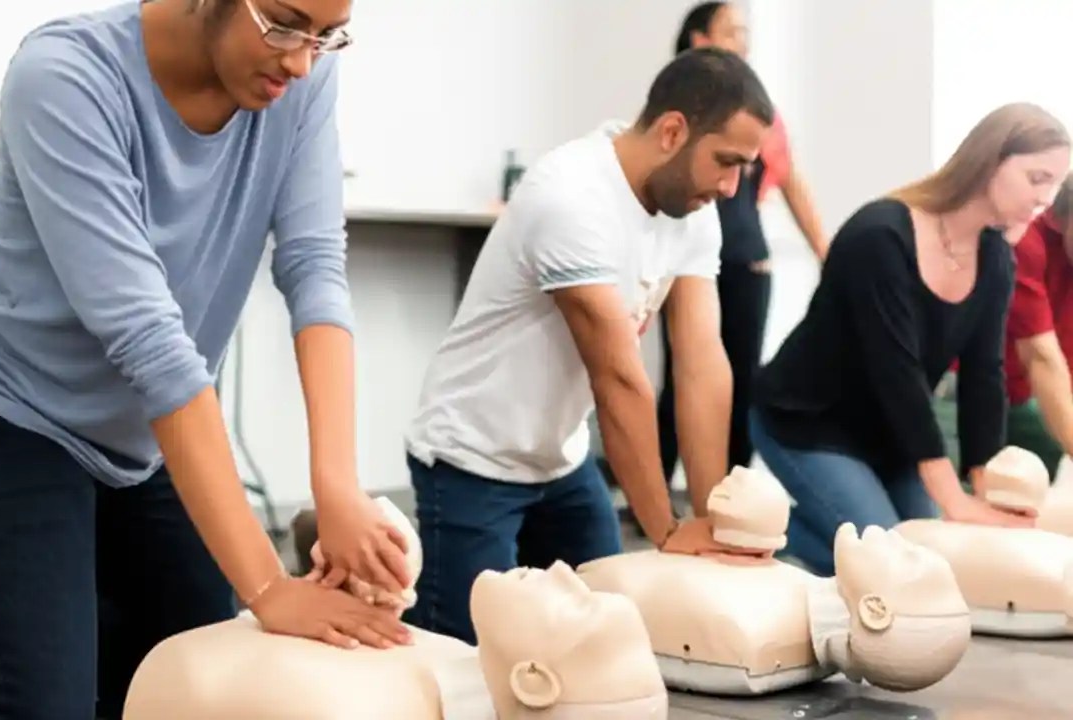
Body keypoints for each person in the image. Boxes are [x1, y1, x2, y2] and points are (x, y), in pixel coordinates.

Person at [0, 1, 413, 719]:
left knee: (182, 688)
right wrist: (269, 587)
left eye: (326, 36)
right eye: (283, 24)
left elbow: (315, 267)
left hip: (143, 440)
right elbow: (151, 345)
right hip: (6, 419)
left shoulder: (299, 77)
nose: (301, 60)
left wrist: (337, 489)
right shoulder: (63, 76)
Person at [402, 47, 776, 644]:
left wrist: (711, 521)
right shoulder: (571, 196)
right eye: (726, 162)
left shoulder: (694, 213)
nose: (732, 187)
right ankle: (356, 568)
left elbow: (703, 364)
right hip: (472, 456)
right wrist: (666, 529)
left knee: (605, 635)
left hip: (561, 460)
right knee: (466, 656)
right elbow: (618, 379)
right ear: (672, 132)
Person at [749, 102, 1070, 576]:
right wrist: (952, 500)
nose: (1045, 198)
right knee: (895, 563)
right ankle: (761, 531)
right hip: (808, 422)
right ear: (990, 162)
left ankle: (823, 528)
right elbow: (895, 371)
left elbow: (984, 375)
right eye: (1036, 178)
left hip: (892, 437)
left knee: (935, 559)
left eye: (1054, 184)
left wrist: (983, 490)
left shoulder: (995, 258)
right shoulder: (880, 236)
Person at [651, 1, 829, 490]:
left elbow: (791, 180)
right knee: (682, 377)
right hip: (684, 265)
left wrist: (825, 251)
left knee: (742, 382)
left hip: (748, 262)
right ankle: (654, 498)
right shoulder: (673, 109)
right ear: (699, 40)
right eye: (732, 31)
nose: (743, 42)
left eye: (746, 33)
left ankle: (733, 499)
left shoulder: (759, 111)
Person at [939, 178, 1073, 478]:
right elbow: (1040, 357)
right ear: (1061, 218)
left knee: (1046, 470)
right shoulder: (1024, 241)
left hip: (1018, 396)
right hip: (958, 387)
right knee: (950, 491)